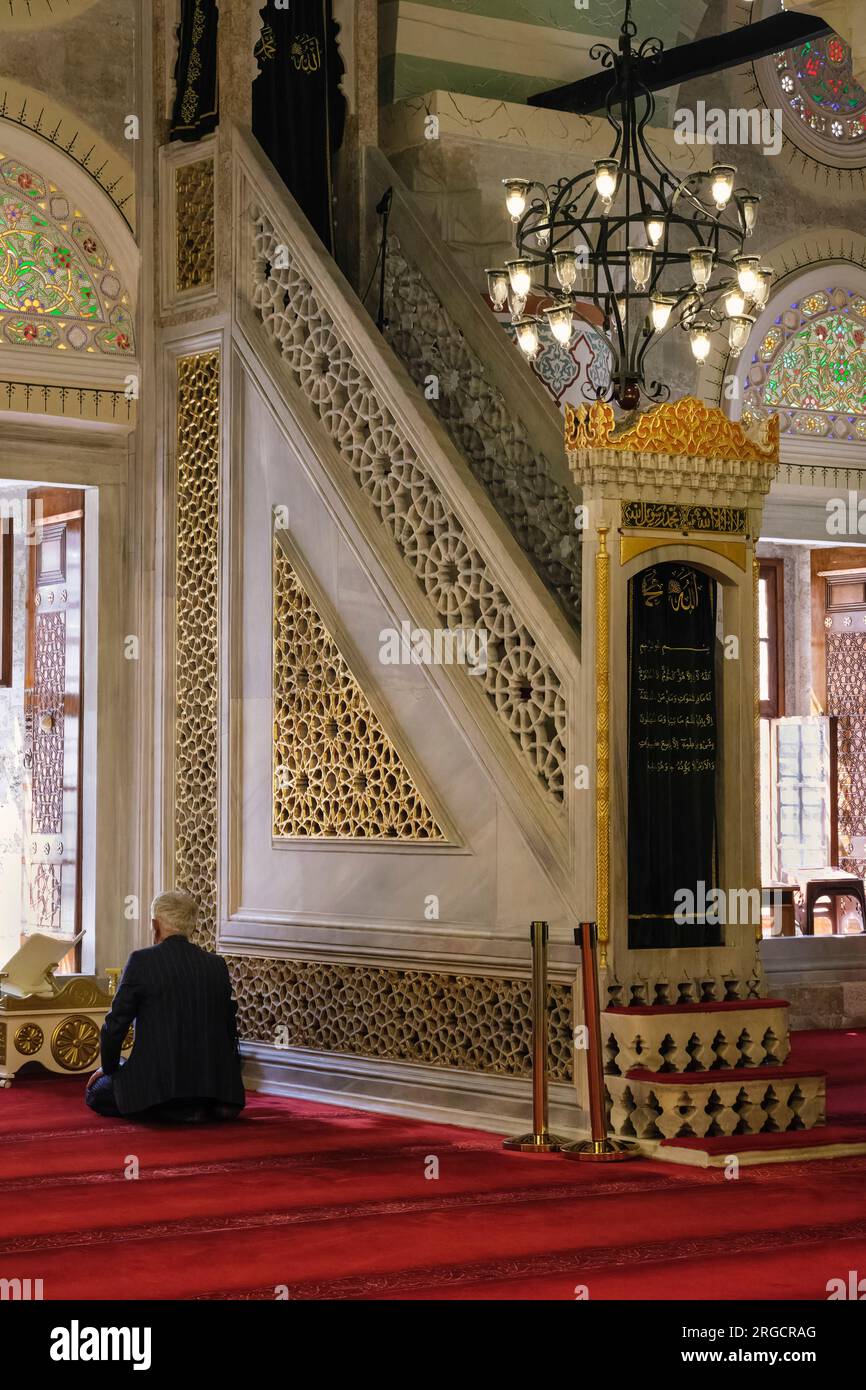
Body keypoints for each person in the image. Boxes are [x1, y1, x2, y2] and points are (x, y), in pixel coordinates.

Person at [86, 890, 245, 1123]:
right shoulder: (216, 965)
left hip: (158, 1089)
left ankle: (170, 1109)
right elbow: (229, 1029)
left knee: (96, 1091)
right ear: (191, 926)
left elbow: (115, 1025)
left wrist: (108, 1068)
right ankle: (197, 1107)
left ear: (155, 925)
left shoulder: (141, 961)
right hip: (213, 1089)